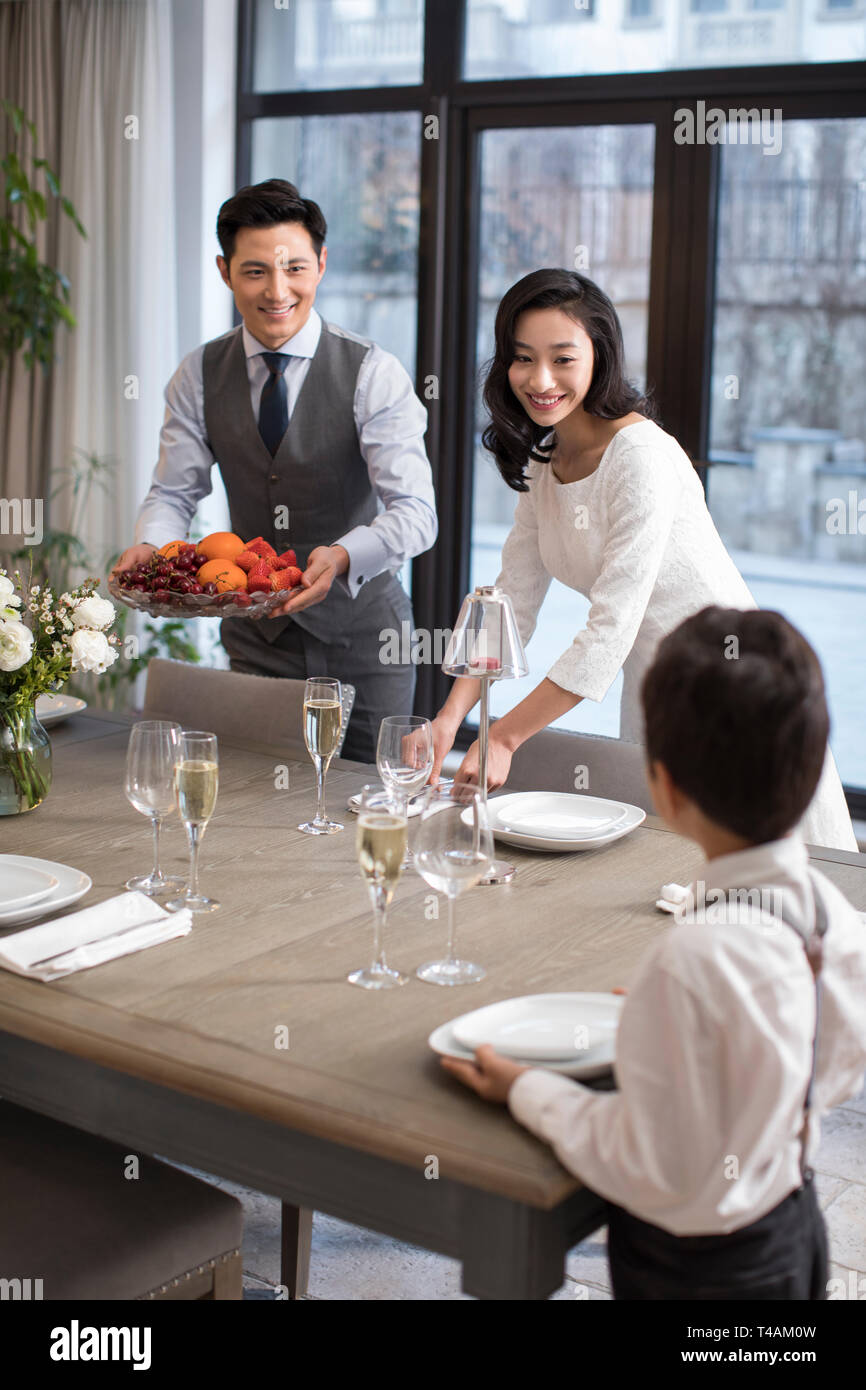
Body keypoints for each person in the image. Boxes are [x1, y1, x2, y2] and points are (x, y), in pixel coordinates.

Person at [443, 606, 866, 1301]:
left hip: (694, 1274)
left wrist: (528, 1090)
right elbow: (818, 1059)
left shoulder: (694, 957)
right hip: (792, 1234)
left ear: (664, 790)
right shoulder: (834, 919)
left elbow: (641, 1156)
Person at [430, 268, 856, 851]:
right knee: (667, 877)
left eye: (563, 358)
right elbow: (510, 603)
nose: (540, 379)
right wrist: (451, 717)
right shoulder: (544, 460)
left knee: (767, 897)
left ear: (600, 357)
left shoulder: (641, 456)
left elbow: (608, 630)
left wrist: (503, 736)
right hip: (656, 685)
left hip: (732, 688)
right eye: (523, 358)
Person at [114, 179, 437, 762]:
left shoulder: (372, 372)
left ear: (321, 265)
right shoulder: (199, 373)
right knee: (256, 802)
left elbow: (416, 513)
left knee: (371, 803)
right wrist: (153, 548)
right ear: (225, 271)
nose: (277, 290)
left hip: (365, 640)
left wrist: (341, 555)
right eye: (255, 271)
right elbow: (172, 490)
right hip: (255, 638)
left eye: (294, 268)